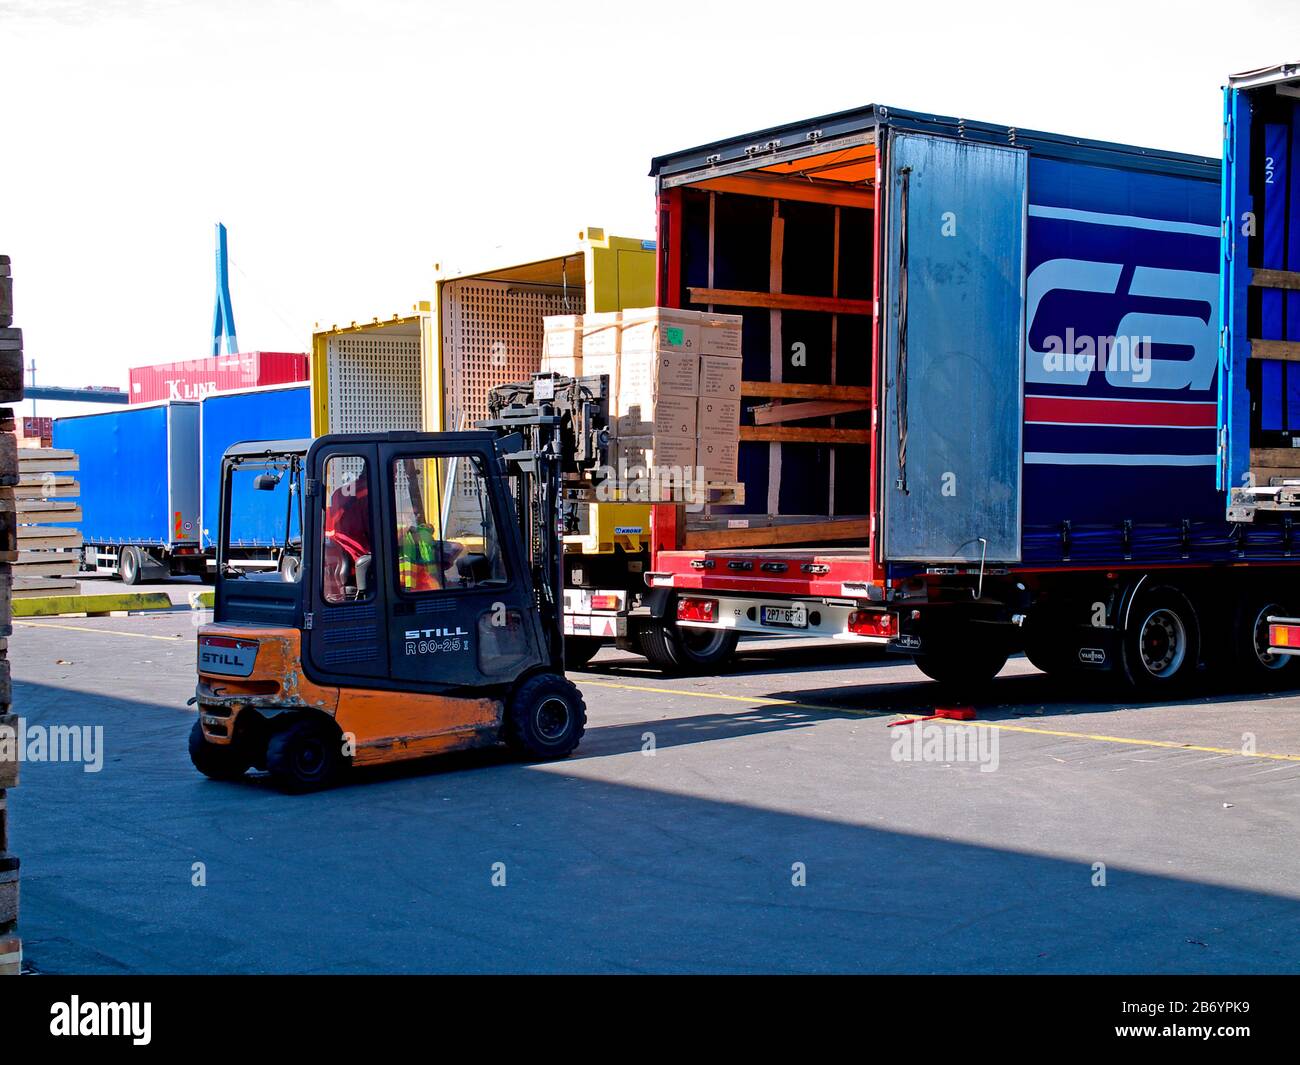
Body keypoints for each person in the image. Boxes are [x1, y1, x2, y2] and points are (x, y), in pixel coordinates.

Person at [324, 467, 371, 601]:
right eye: (394, 471)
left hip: (339, 555)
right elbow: (375, 532)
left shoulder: (341, 492)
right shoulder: (371, 492)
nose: (396, 476)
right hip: (359, 556)